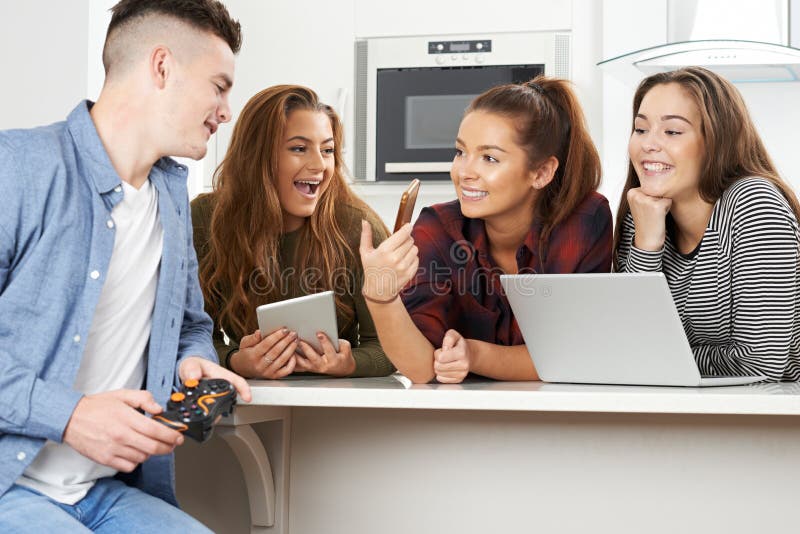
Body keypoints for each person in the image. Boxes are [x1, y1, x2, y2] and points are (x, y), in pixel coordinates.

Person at [0, 1, 251, 531]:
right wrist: (67, 416)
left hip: (102, 492)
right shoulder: (17, 168)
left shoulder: (171, 195)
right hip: (10, 485)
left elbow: (190, 326)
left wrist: (192, 361)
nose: (226, 110)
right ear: (162, 67)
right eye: (219, 85)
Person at [359, 76, 613, 384]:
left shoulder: (583, 220)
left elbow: (572, 357)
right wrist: (380, 296)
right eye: (460, 152)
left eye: (489, 158)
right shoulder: (437, 229)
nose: (464, 172)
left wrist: (476, 355)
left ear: (542, 172)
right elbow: (422, 369)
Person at [192, 85, 395, 379]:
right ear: (257, 156)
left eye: (327, 150)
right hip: (249, 398)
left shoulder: (358, 227)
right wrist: (235, 361)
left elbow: (390, 348)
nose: (319, 165)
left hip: (337, 406)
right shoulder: (205, 218)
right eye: (299, 149)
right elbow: (189, 337)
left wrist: (349, 364)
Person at [614, 66, 800, 381]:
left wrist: (658, 355)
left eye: (672, 132)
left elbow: (762, 363)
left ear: (715, 140)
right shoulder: (643, 210)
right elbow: (628, 344)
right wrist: (647, 245)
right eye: (641, 129)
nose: (648, 144)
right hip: (691, 408)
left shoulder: (754, 204)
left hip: (774, 413)